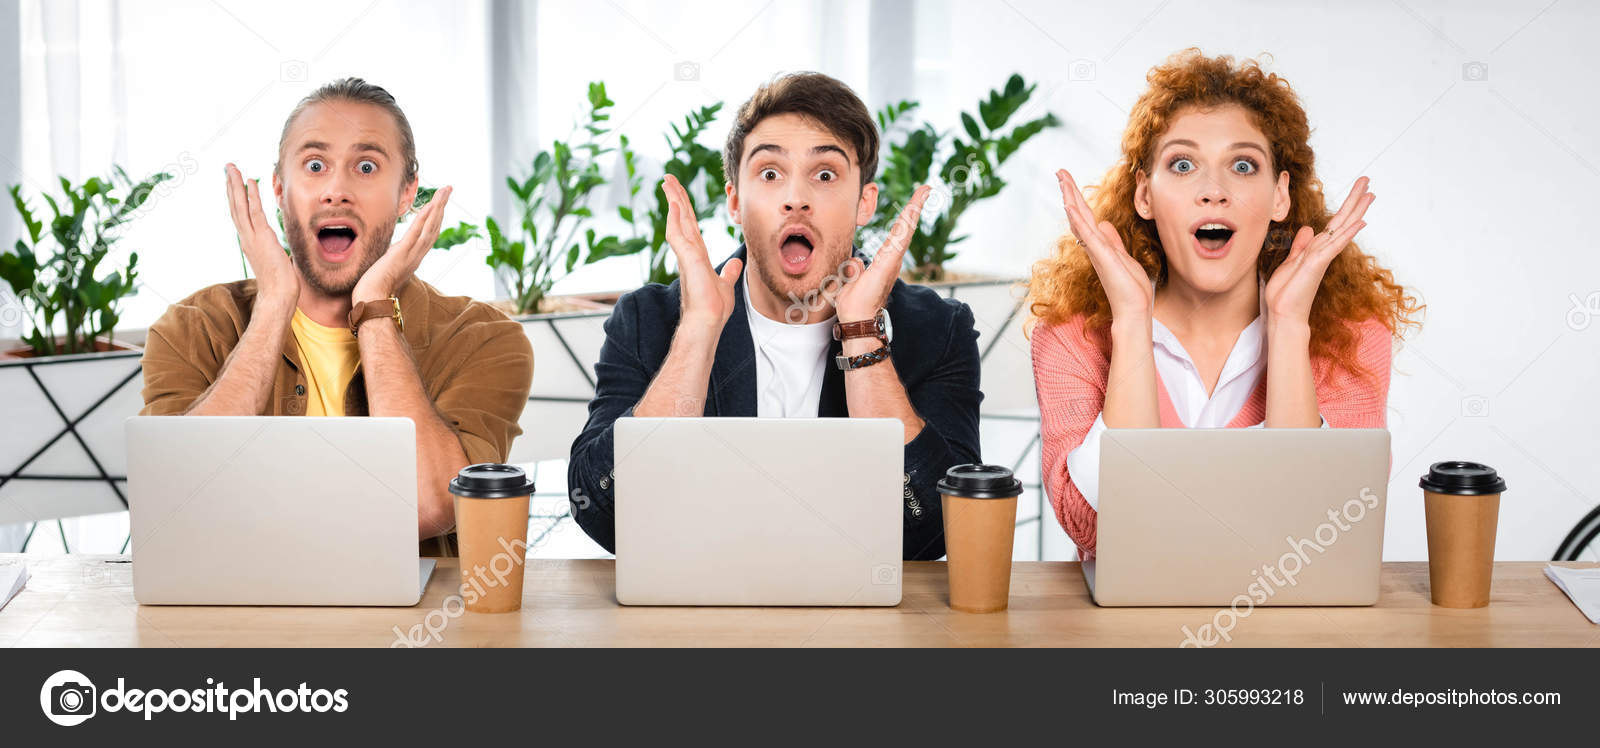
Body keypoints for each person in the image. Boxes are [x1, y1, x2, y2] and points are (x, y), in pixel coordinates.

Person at [567, 72, 983, 560]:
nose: (795, 198)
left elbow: (939, 530)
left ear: (864, 203)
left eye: (825, 175)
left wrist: (861, 334)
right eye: (770, 173)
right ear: (735, 202)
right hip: (699, 603)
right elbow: (602, 513)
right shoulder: (648, 320)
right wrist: (698, 333)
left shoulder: (937, 329)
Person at [1027, 50, 1422, 559]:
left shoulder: (1352, 337)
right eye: (1183, 164)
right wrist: (1130, 324)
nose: (1213, 191)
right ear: (1145, 195)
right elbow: (1098, 532)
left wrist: (1289, 328)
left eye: (1242, 165)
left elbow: (1320, 540)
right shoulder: (1072, 336)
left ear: (1279, 196)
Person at [139, 78, 534, 552]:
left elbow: (430, 507)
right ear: (280, 189)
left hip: (412, 603)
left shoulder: (484, 339)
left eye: (366, 167)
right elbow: (179, 503)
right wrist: (273, 306)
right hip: (234, 602)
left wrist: (375, 305)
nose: (336, 191)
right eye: (315, 165)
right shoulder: (191, 329)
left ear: (406, 194)